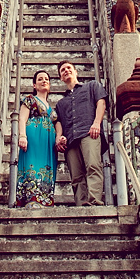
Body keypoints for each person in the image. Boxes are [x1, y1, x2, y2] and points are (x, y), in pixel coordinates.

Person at [53, 61, 107, 205]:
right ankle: (81, 204)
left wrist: (96, 123)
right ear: (61, 78)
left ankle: (95, 201)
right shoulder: (61, 103)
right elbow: (57, 121)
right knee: (76, 176)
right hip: (71, 140)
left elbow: (101, 103)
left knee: (93, 166)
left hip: (89, 131)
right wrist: (59, 137)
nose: (66, 71)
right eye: (63, 70)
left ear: (76, 72)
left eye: (69, 68)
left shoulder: (92, 86)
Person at [16, 71, 57, 207]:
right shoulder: (30, 100)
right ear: (34, 85)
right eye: (40, 79)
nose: (44, 81)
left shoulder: (51, 108)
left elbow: (58, 123)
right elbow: (22, 118)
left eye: (46, 79)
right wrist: (22, 136)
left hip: (48, 144)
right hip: (33, 139)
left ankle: (44, 201)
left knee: (46, 170)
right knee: (31, 166)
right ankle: (29, 200)